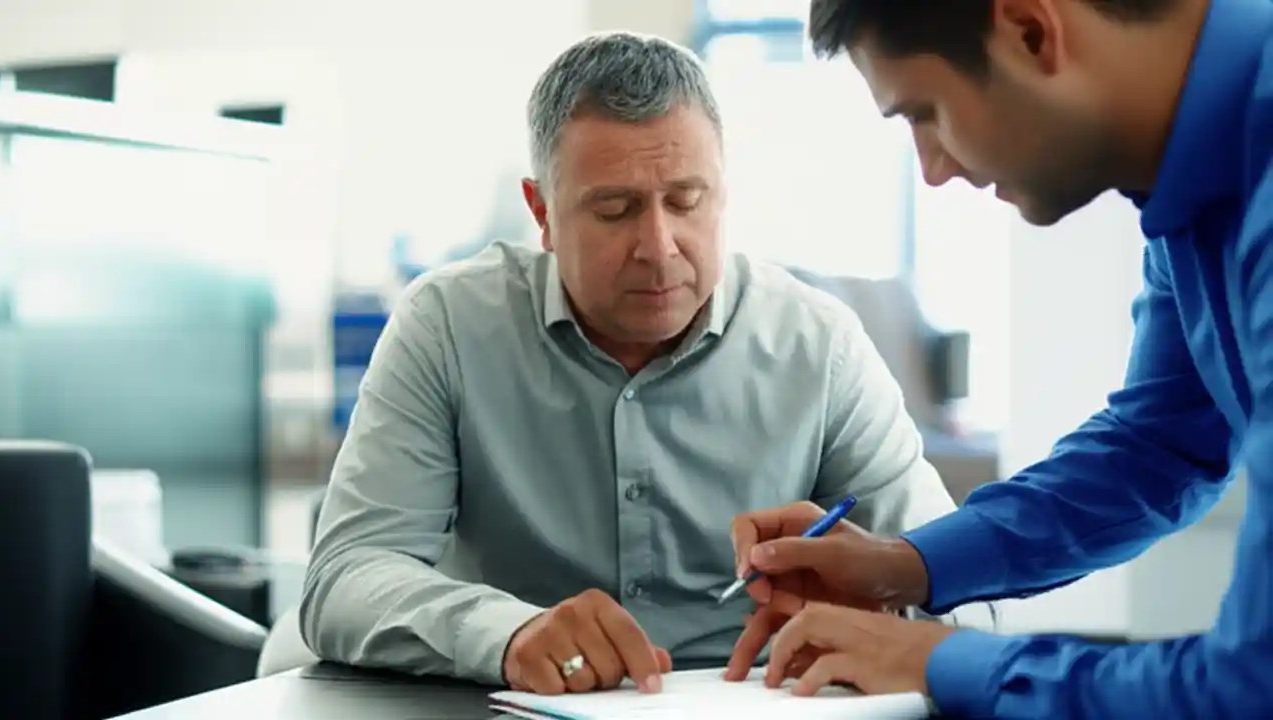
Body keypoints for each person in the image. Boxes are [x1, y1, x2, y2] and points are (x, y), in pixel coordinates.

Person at [300, 31, 988, 697]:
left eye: (686, 202)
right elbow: (345, 577)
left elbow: (968, 598)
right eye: (615, 209)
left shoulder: (819, 344)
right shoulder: (448, 325)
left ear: (724, 192)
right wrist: (509, 635)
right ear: (541, 211)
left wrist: (887, 607)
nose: (659, 248)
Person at [725, 0, 1273, 716]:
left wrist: (939, 660)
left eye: (924, 112)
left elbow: (1250, 685)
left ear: (1029, 30)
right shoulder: (1193, 187)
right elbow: (1162, 445)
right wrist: (904, 567)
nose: (933, 169)